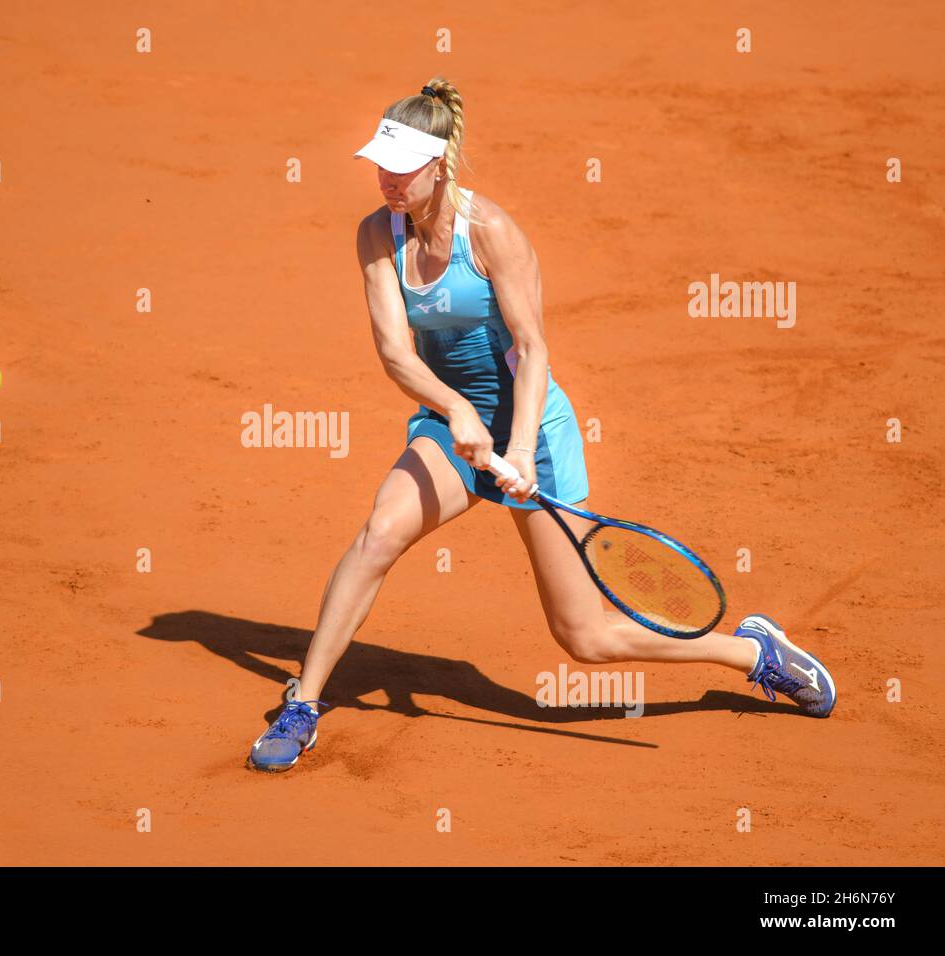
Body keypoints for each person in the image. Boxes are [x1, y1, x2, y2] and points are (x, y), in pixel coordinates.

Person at [247, 77, 835, 773]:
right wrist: (458, 411)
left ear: (441, 164)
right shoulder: (379, 234)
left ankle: (751, 652)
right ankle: (305, 703)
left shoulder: (491, 233)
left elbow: (532, 351)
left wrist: (520, 449)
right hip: (451, 421)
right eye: (381, 163)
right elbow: (395, 353)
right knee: (379, 533)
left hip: (533, 428)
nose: (388, 180)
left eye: (403, 167)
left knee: (586, 641)